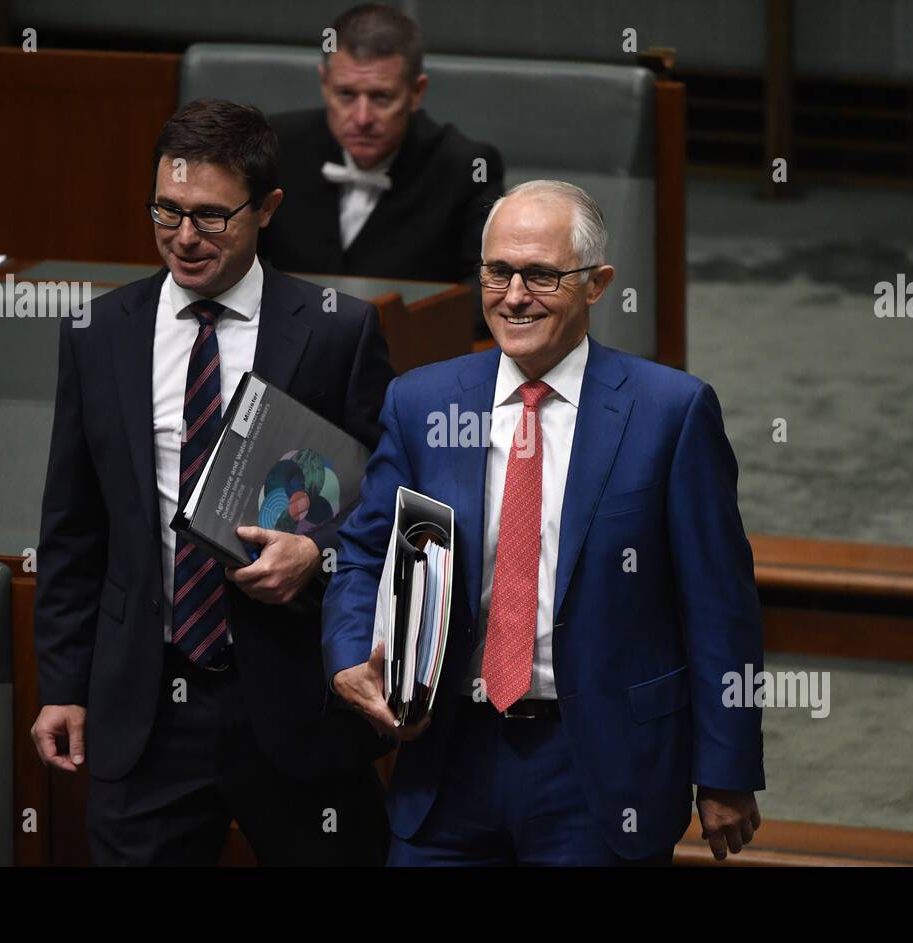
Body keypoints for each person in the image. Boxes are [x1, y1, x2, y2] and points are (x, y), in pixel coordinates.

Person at [322, 180, 766, 865]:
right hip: (448, 758)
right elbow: (362, 551)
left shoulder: (669, 414)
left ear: (597, 284)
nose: (514, 295)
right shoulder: (422, 403)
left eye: (542, 275)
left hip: (598, 764)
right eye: (498, 271)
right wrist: (351, 653)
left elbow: (720, 605)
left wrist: (727, 769)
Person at [32, 98, 395, 865]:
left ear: (267, 209)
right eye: (166, 210)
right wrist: (62, 685)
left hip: (296, 698)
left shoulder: (335, 331)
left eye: (210, 216)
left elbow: (384, 497)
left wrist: (316, 555)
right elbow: (73, 527)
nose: (184, 238)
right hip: (148, 705)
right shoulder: (100, 336)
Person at [259, 3, 504, 337]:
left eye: (381, 97)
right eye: (346, 94)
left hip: (406, 359)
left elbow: (490, 286)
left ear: (416, 92)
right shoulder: (276, 145)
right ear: (324, 83)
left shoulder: (465, 166)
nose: (362, 118)